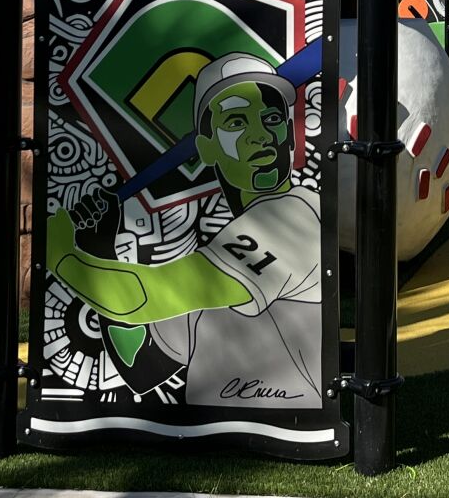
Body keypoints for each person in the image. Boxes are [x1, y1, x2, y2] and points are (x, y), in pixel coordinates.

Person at [47, 52, 321, 407]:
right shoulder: (218, 253)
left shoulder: (296, 216)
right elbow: (141, 363)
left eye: (271, 118)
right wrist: (101, 251)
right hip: (220, 452)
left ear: (290, 135)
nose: (261, 136)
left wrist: (62, 256)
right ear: (206, 148)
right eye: (236, 123)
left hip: (286, 431)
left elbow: (144, 299)